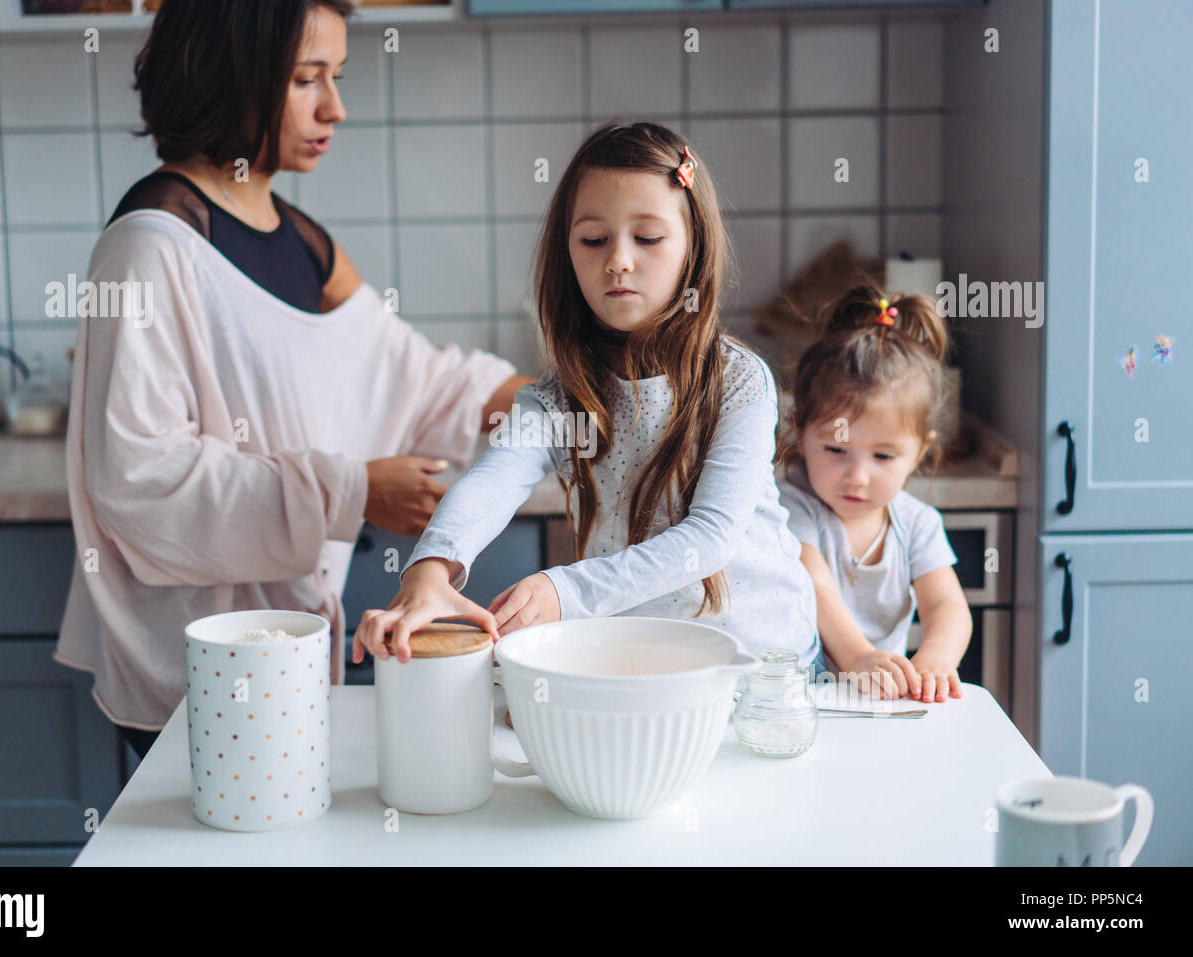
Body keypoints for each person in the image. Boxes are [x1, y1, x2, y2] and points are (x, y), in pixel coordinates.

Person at [54, 0, 530, 761]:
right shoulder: (149, 248)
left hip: (285, 656)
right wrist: (352, 491)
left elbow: (413, 374)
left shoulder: (302, 241)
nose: (335, 107)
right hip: (196, 674)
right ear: (229, 74)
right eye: (307, 79)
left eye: (334, 77)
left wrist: (555, 405)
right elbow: (138, 480)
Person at [351, 121, 819, 672]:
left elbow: (711, 536)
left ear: (693, 248)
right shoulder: (559, 396)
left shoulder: (739, 381)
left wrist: (563, 592)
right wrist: (428, 571)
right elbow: (493, 480)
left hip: (764, 669)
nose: (618, 260)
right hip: (640, 670)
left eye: (647, 238)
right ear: (567, 253)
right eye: (594, 239)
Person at [776, 283, 973, 702]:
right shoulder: (790, 506)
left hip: (881, 703)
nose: (858, 477)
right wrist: (860, 657)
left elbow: (947, 608)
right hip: (806, 701)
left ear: (920, 451)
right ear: (798, 430)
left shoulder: (918, 524)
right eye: (836, 450)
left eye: (883, 457)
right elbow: (816, 585)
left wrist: (934, 661)